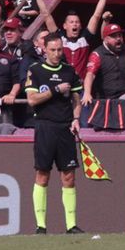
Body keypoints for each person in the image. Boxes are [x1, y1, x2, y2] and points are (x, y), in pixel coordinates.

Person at [25, 33, 84, 234]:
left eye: (60, 49)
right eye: (53, 50)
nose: (57, 53)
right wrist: (55, 90)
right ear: (44, 49)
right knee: (42, 174)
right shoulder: (35, 71)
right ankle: (41, 226)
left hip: (65, 127)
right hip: (45, 126)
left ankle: (71, 225)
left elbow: (76, 98)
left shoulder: (69, 71)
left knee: (69, 176)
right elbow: (32, 100)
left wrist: (76, 119)